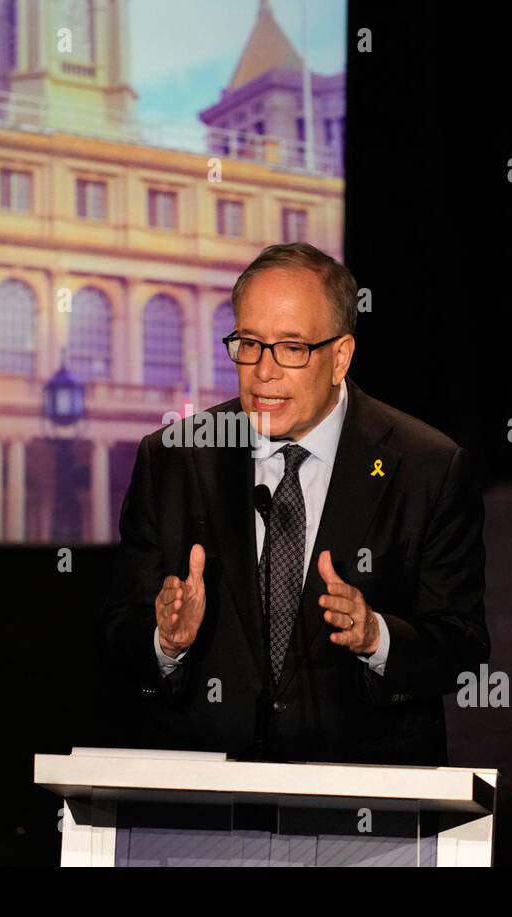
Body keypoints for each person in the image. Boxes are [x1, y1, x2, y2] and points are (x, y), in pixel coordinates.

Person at [103, 243, 489, 765]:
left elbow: (461, 648)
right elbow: (118, 635)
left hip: (363, 804)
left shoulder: (427, 467)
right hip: (204, 808)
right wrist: (166, 641)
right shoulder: (173, 459)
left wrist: (376, 637)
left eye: (291, 348)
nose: (263, 371)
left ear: (340, 357)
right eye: (249, 343)